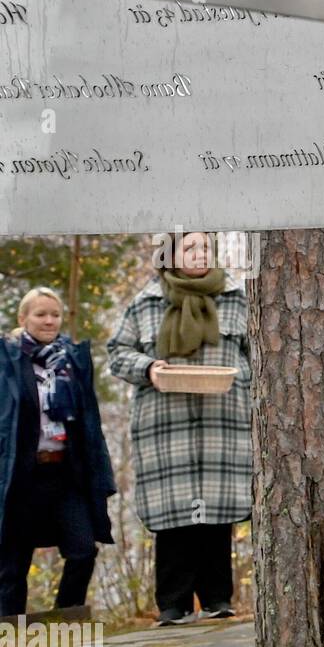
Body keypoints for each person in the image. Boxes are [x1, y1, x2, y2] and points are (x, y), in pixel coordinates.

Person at [107, 232, 252, 625]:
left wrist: (241, 379)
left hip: (223, 417)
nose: (200, 253)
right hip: (165, 422)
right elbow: (117, 354)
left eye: (205, 247)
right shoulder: (147, 301)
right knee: (174, 514)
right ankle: (173, 604)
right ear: (169, 255)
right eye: (190, 247)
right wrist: (149, 368)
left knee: (216, 511)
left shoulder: (235, 296)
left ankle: (218, 598)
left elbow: (256, 354)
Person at [0, 288, 115, 617]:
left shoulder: (72, 359)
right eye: (40, 314)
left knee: (82, 550)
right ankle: (9, 636)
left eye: (55, 314)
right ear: (23, 319)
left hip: (65, 473)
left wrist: (100, 471)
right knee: (12, 564)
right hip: (19, 475)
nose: (49, 320)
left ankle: (64, 618)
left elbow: (90, 418)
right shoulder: (7, 359)